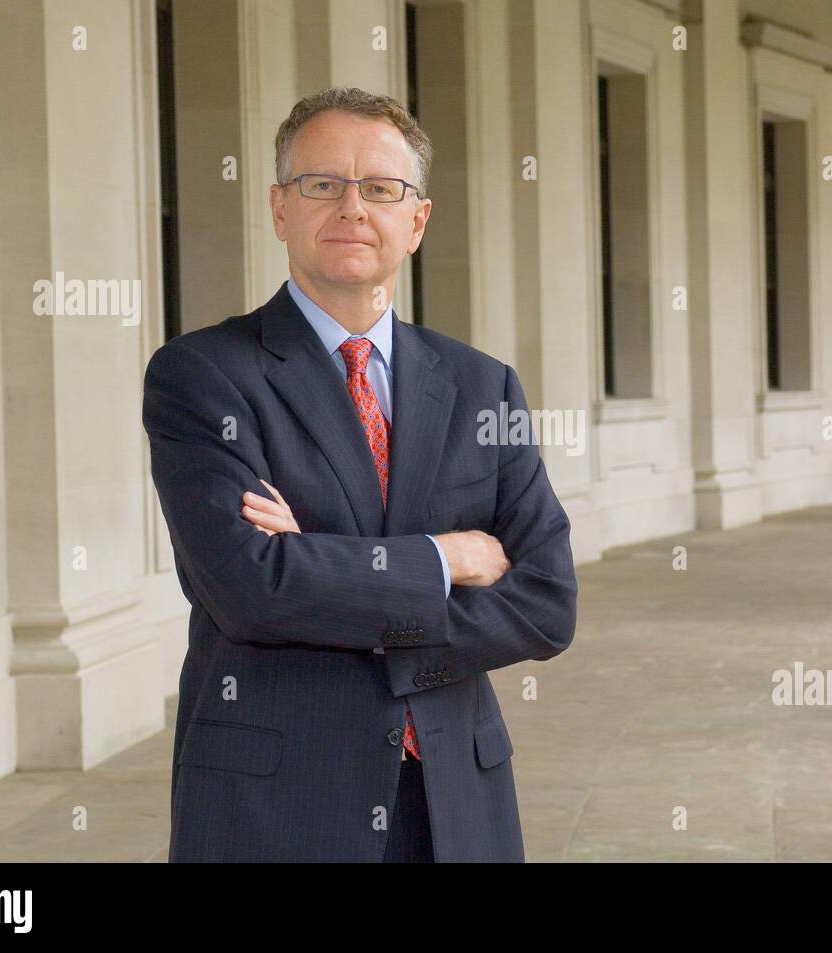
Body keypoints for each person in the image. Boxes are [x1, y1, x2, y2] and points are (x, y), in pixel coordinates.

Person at [141, 86, 578, 862]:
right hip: (277, 805)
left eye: (381, 188)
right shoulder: (202, 375)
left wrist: (319, 566)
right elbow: (248, 589)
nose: (352, 207)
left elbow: (546, 601)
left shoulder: (485, 386)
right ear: (280, 208)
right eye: (322, 185)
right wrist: (449, 559)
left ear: (417, 219)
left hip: (454, 802)